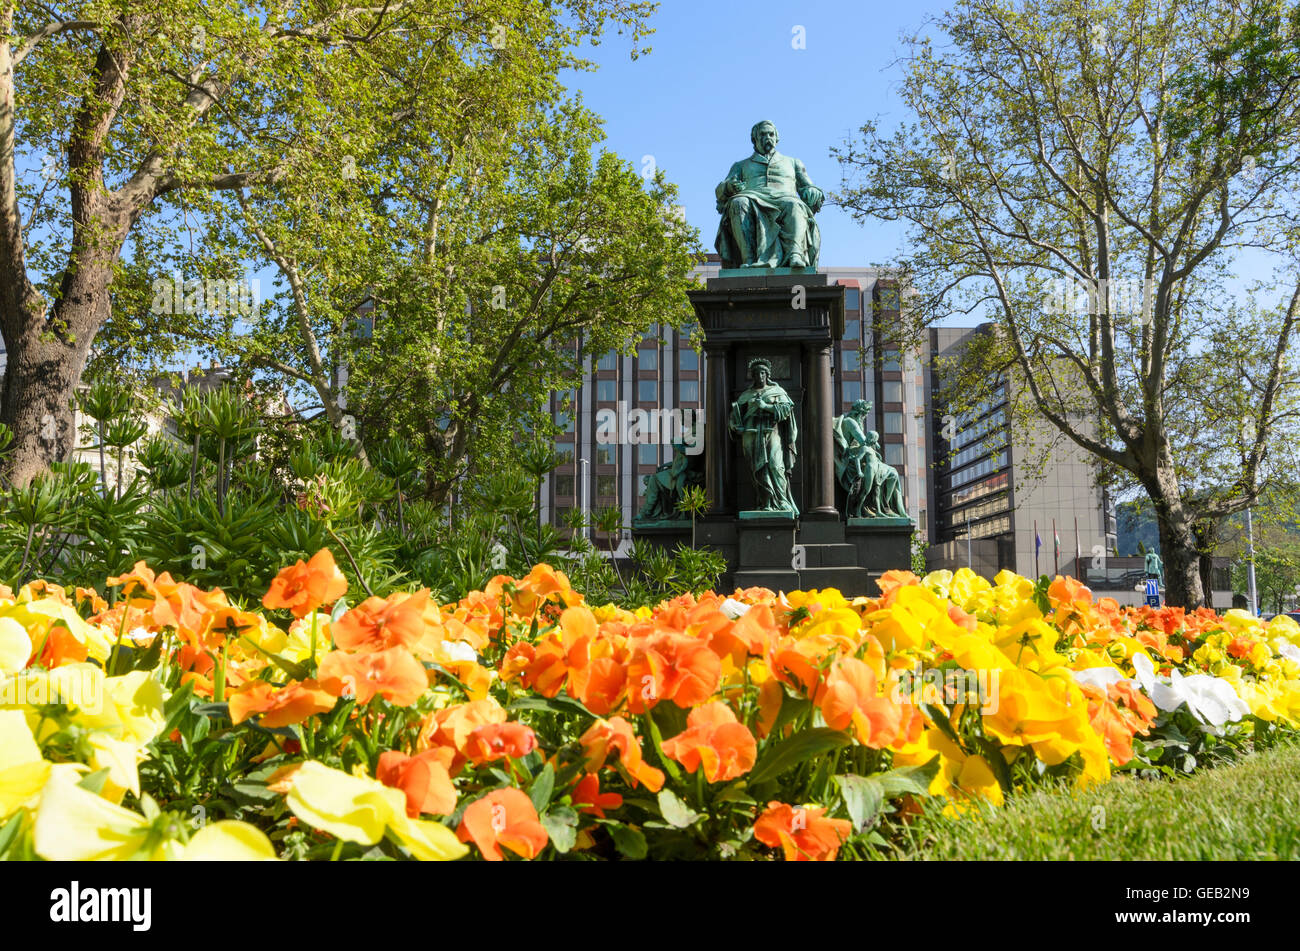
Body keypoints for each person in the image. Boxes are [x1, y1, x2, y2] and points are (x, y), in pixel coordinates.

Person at [715, 120, 824, 268]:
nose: (768, 137)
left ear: (777, 138)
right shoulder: (740, 165)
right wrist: (729, 186)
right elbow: (720, 190)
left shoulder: (793, 162)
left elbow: (808, 186)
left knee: (794, 204)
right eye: (763, 134)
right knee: (738, 202)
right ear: (755, 139)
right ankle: (748, 259)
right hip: (752, 197)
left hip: (785, 199)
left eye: (771, 134)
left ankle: (795, 254)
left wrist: (813, 191)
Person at [728, 357, 799, 514]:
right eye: (756, 374)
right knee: (757, 469)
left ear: (767, 375)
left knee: (775, 465)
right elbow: (734, 416)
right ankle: (765, 502)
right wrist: (735, 426)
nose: (759, 376)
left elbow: (786, 410)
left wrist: (765, 406)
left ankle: (781, 501)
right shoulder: (746, 395)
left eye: (762, 373)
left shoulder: (777, 392)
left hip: (771, 431)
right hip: (751, 434)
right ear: (752, 376)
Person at [832, 399, 873, 517]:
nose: (865, 417)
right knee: (870, 470)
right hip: (847, 459)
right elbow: (863, 441)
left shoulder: (850, 421)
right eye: (865, 414)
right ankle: (862, 507)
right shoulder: (851, 422)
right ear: (860, 413)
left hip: (851, 456)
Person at [861, 431, 908, 518]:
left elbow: (875, 446)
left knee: (894, 474)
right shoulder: (864, 445)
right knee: (871, 488)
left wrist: (875, 443)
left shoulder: (871, 445)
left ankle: (885, 506)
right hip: (870, 467)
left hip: (877, 464)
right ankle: (880, 508)